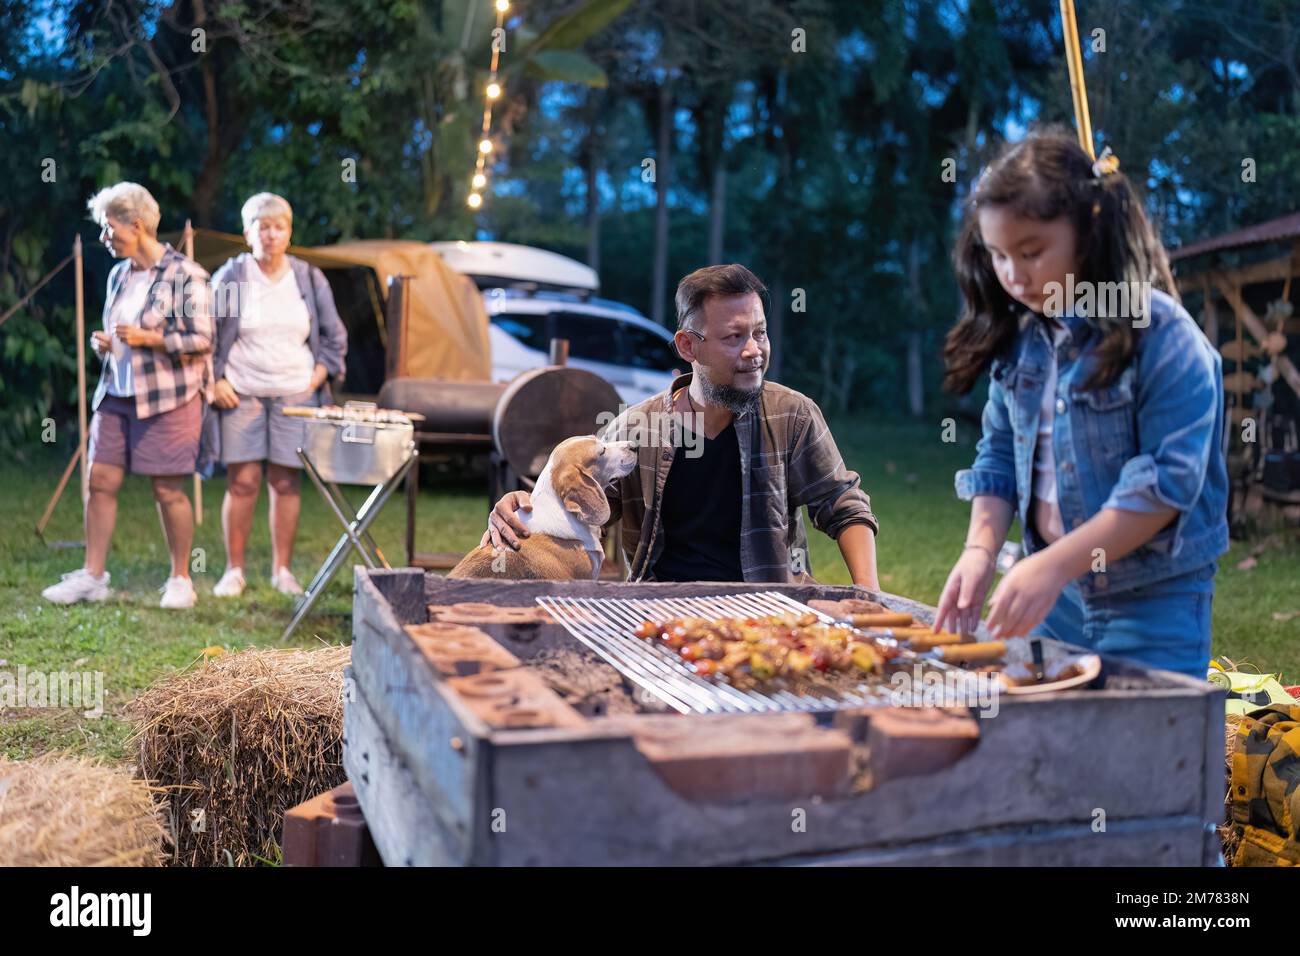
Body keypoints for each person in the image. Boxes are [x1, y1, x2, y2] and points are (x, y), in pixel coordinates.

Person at [934, 130, 1228, 677]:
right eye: (998, 256)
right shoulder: (1021, 340)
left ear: (1088, 229)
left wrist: (1049, 566)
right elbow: (998, 461)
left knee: (1145, 755)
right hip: (1056, 602)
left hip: (1153, 605)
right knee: (1051, 751)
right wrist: (980, 551)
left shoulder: (1164, 339)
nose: (1014, 276)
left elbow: (1165, 487)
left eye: (1032, 252)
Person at [482, 263, 880, 586]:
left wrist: (868, 593)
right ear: (689, 346)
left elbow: (843, 506)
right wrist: (521, 509)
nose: (753, 350)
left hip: (769, 608)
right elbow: (577, 500)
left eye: (759, 333)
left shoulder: (792, 415)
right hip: (660, 611)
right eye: (734, 337)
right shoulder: (635, 429)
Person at [43, 182, 213, 609]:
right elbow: (122, 333)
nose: (104, 238)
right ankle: (93, 576)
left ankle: (180, 579)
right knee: (99, 480)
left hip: (168, 398)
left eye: (107, 228)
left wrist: (150, 339)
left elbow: (202, 339)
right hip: (117, 392)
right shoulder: (120, 274)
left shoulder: (184, 275)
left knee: (168, 489)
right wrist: (106, 344)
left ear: (135, 225)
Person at [205, 192, 347, 597]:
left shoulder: (308, 277)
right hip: (243, 392)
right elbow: (208, 334)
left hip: (295, 394)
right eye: (261, 227)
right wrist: (215, 380)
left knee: (285, 483)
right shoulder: (232, 276)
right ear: (247, 232)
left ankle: (281, 571)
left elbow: (334, 335)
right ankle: (234, 570)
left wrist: (318, 377)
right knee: (243, 481)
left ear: (289, 232)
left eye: (278, 227)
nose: (270, 235)